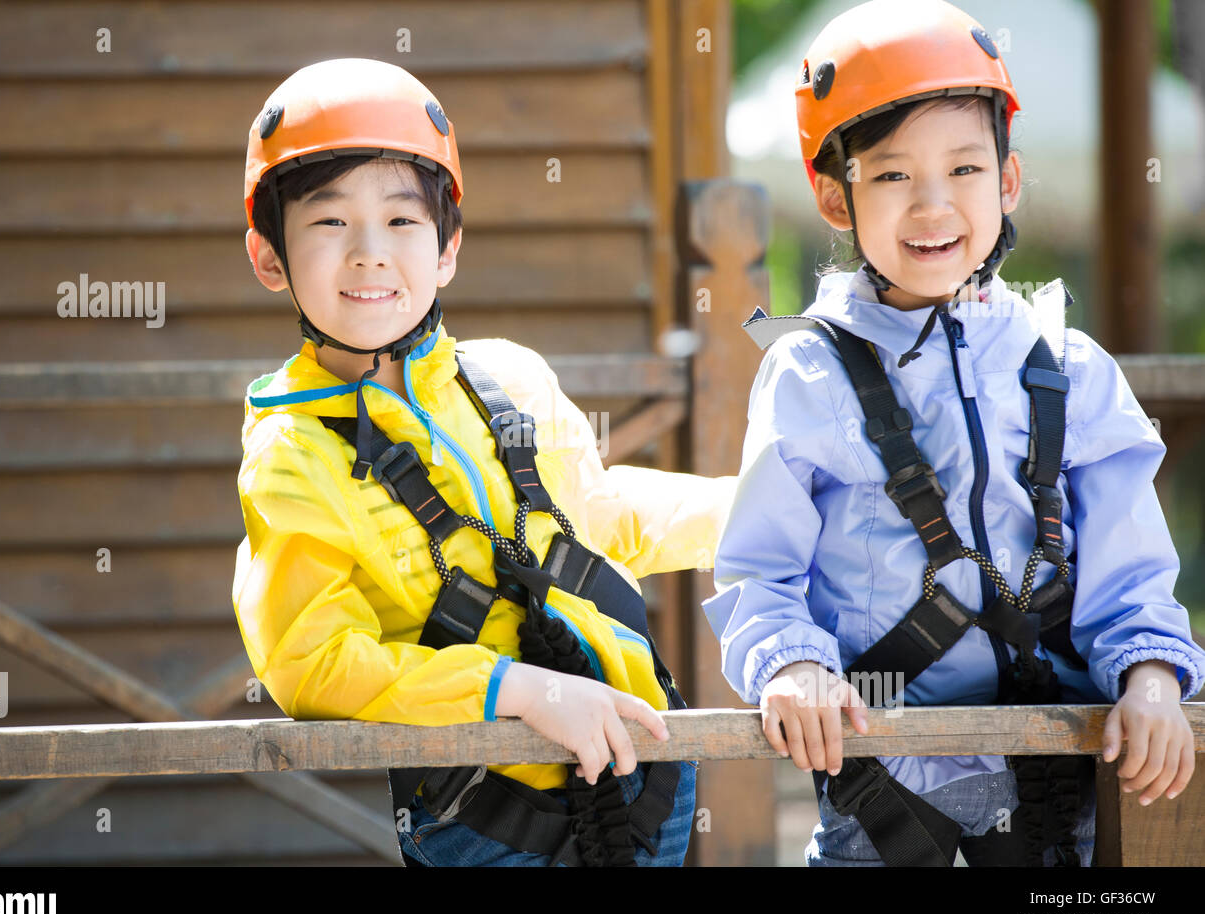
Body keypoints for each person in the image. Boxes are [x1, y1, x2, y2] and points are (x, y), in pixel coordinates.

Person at [704, 0, 1203, 866]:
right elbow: (761, 576)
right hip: (884, 791)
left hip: (1068, 785)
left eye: (965, 169)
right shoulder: (808, 378)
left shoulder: (1070, 369)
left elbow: (1131, 581)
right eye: (893, 175)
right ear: (834, 194)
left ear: (1007, 183)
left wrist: (1153, 676)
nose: (933, 206)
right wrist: (790, 666)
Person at [231, 58, 733, 867]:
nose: (368, 254)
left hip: (647, 774)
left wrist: (753, 510)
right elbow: (313, 661)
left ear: (449, 247)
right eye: (328, 224)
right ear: (269, 257)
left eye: (401, 221)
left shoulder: (508, 378)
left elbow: (594, 520)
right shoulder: (292, 454)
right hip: (490, 815)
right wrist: (516, 691)